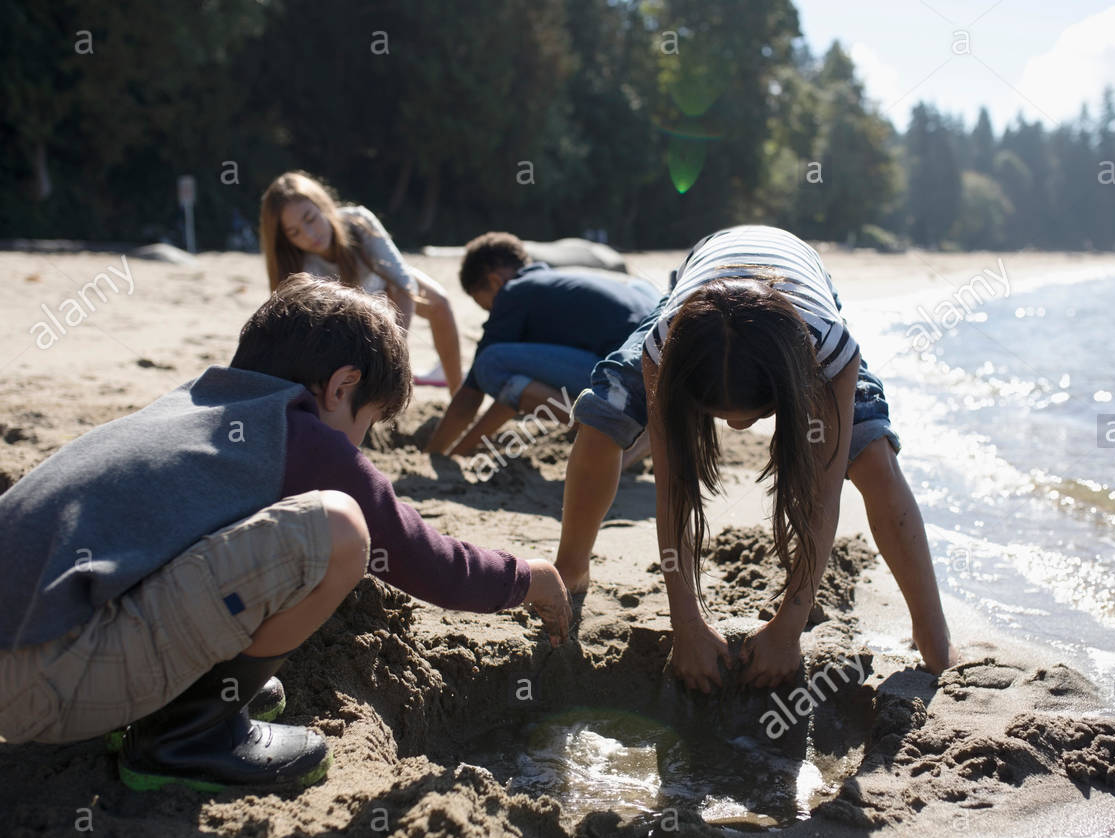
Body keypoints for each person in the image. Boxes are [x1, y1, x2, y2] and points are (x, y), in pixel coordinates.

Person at [0, 275, 570, 792]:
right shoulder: (296, 433)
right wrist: (529, 578)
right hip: (50, 684)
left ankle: (182, 700)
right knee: (339, 530)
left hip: (35, 647)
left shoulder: (197, 405)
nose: (359, 445)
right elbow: (425, 560)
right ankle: (186, 736)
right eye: (368, 423)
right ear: (342, 387)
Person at [553, 225, 951, 690]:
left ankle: (933, 636)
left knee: (875, 461)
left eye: (755, 415)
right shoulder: (664, 349)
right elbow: (674, 489)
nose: (737, 427)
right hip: (699, 295)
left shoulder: (828, 350)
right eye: (717, 414)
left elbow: (823, 497)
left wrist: (789, 627)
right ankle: (570, 569)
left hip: (800, 295)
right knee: (603, 420)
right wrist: (686, 624)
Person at [423, 232, 658, 457]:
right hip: (655, 373)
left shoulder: (513, 292)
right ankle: (630, 430)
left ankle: (609, 427)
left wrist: (433, 452)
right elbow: (514, 394)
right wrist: (461, 451)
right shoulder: (556, 284)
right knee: (502, 368)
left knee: (490, 362)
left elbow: (470, 396)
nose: (493, 315)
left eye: (489, 307)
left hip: (627, 380)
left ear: (495, 282)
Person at [260, 171, 463, 390]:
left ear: (323, 206)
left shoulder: (358, 221)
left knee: (439, 302)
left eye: (310, 218)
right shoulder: (299, 267)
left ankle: (457, 393)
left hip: (383, 284)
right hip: (346, 317)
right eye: (294, 233)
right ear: (286, 240)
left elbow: (403, 282)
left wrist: (394, 352)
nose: (309, 235)